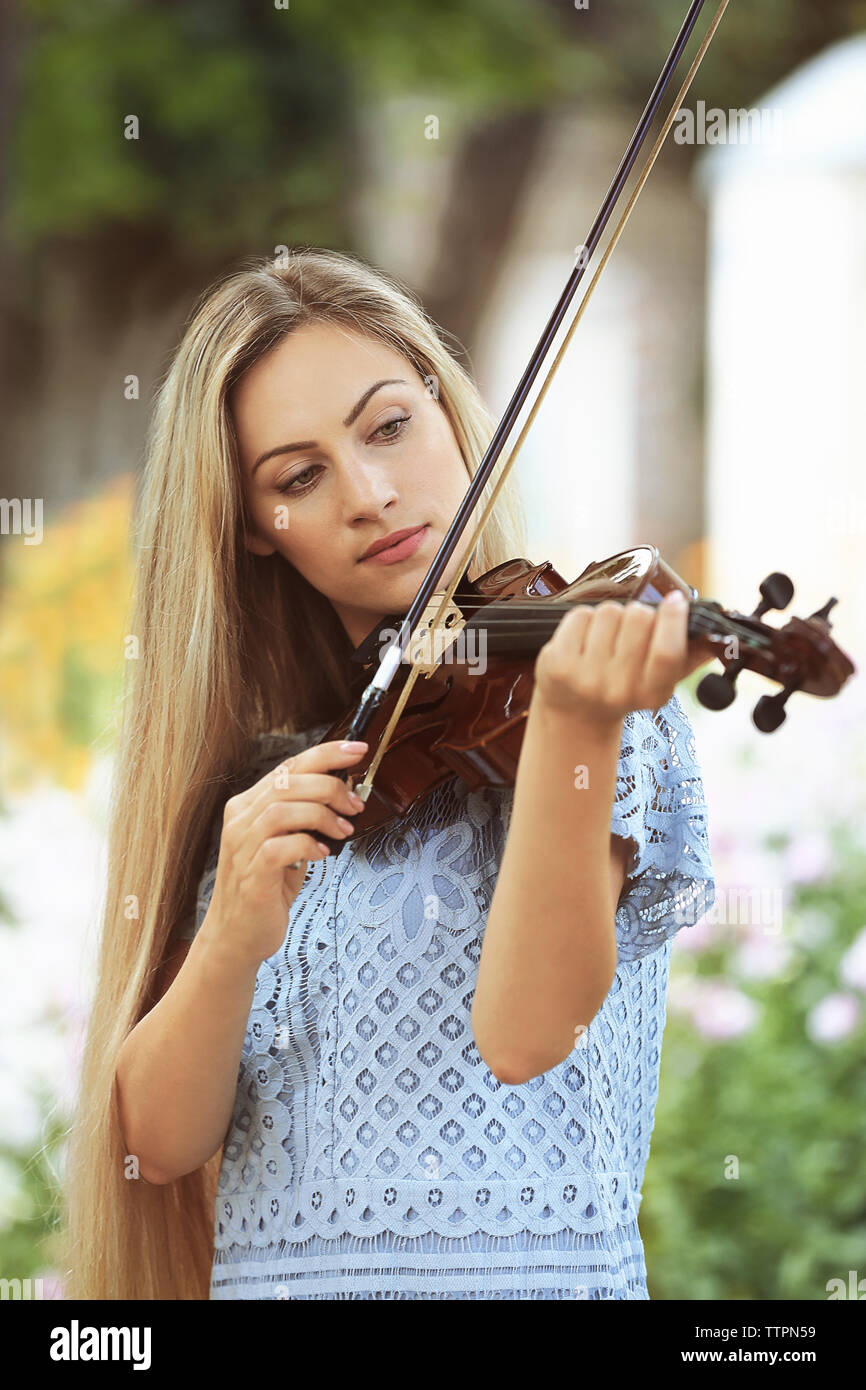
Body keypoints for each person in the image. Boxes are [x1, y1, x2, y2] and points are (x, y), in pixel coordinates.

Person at [61, 247, 716, 1300]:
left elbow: (523, 1033)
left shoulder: (584, 699)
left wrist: (577, 725)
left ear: (447, 411)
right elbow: (157, 1142)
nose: (368, 492)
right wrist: (231, 929)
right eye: (298, 476)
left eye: (388, 426)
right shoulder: (273, 764)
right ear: (252, 529)